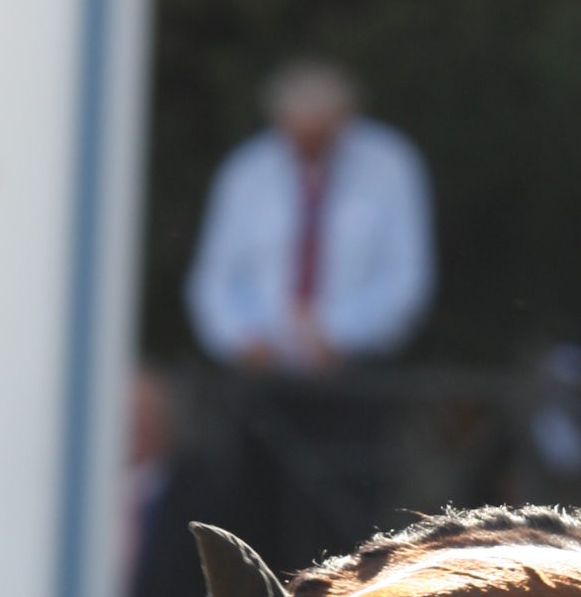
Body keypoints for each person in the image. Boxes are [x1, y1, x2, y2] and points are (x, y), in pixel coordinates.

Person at [185, 59, 435, 371]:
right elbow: (215, 275)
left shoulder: (389, 165)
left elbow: (405, 272)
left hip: (358, 365)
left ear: (344, 121)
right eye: (298, 135)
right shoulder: (246, 172)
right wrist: (241, 336)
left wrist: (342, 334)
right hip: (260, 367)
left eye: (319, 135)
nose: (307, 147)